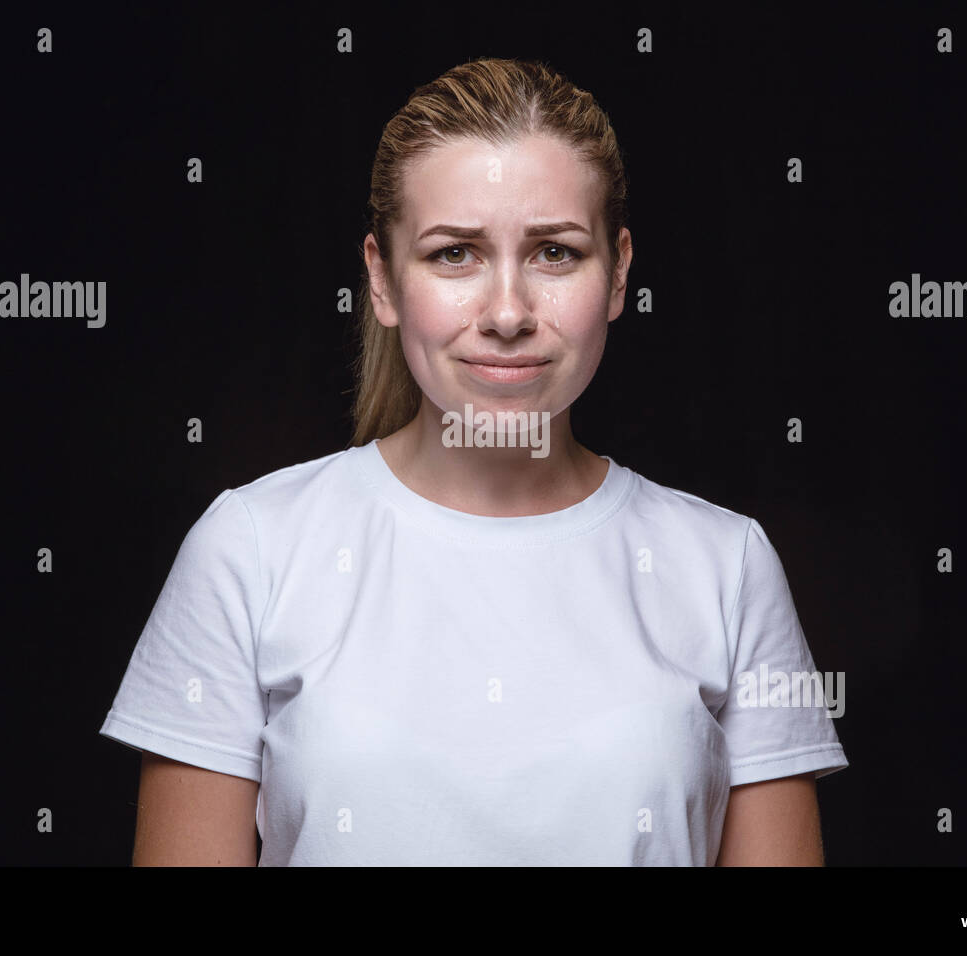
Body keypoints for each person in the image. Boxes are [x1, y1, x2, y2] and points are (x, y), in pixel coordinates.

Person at [100, 57, 848, 866]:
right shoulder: (249, 550)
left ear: (620, 272)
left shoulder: (727, 567)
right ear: (382, 281)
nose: (506, 312)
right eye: (454, 254)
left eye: (554, 253)